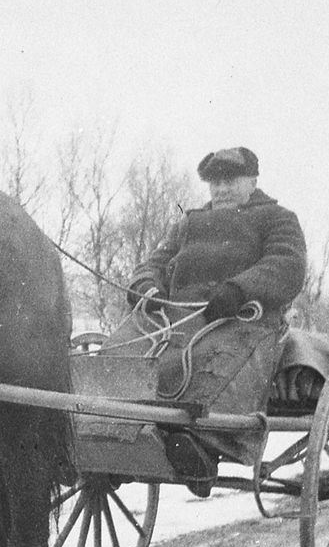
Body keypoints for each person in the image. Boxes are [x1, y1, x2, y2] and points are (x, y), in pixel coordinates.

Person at [125, 146, 307, 496]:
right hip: (174, 318)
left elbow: (287, 264)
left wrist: (240, 289)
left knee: (214, 364)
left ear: (253, 180)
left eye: (230, 181)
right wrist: (146, 285)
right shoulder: (189, 223)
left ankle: (200, 445)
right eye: (214, 183)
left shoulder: (278, 219)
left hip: (240, 318)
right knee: (128, 347)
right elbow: (153, 262)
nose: (221, 190)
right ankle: (104, 426)